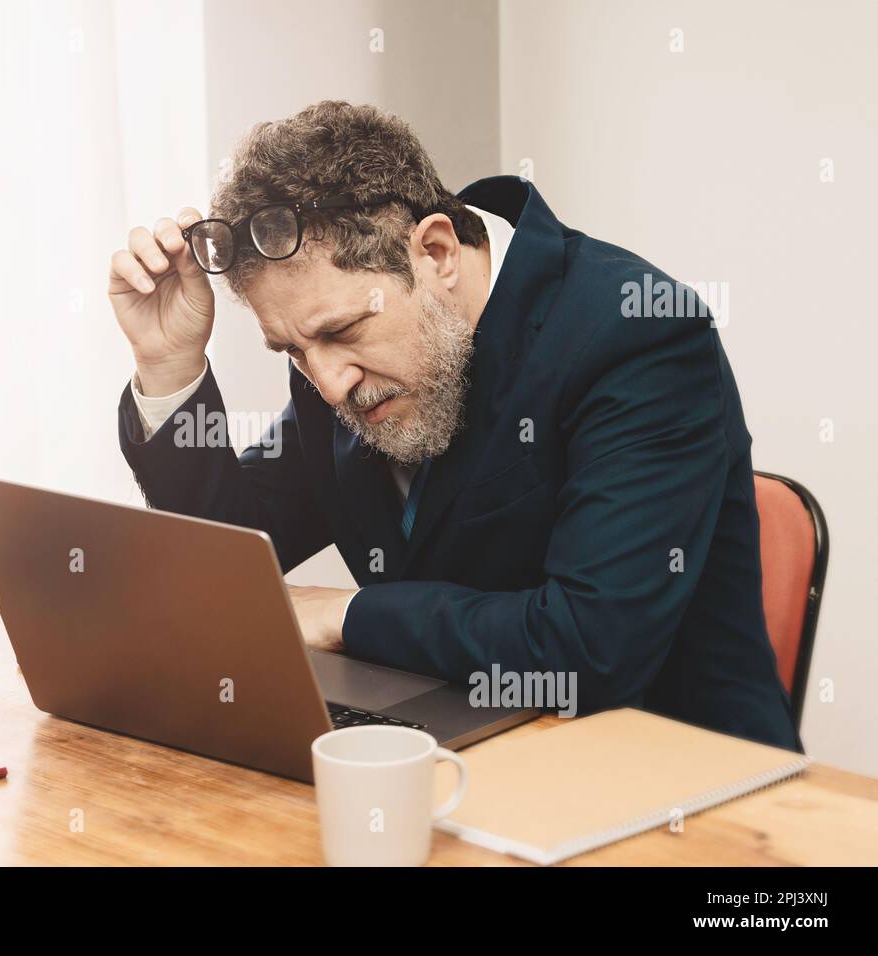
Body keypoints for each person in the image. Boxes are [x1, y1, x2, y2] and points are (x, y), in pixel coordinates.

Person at [107, 100, 798, 750]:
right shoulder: (336, 363)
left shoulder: (637, 335)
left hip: (671, 776)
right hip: (447, 748)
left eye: (343, 330)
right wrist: (169, 366)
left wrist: (342, 616)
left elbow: (591, 647)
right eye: (292, 351)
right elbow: (231, 555)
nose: (327, 384)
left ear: (435, 253)